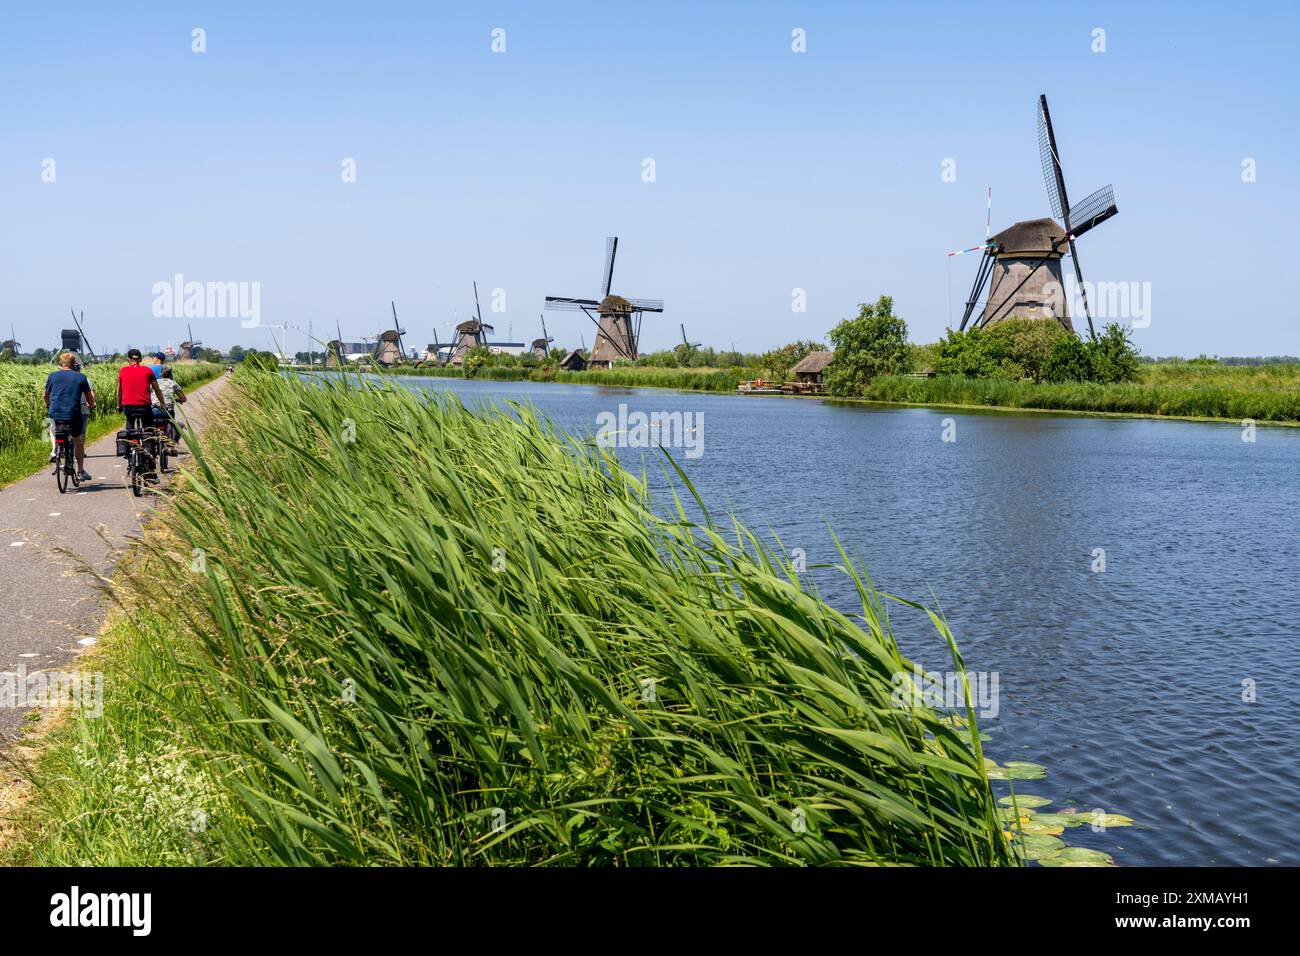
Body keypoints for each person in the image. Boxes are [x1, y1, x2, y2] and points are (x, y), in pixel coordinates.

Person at [44, 352, 95, 482]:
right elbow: (89, 396)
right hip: (73, 413)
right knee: (78, 441)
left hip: (55, 412)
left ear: (60, 363)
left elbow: (46, 395)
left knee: (53, 428)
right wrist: (92, 405)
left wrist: (48, 404)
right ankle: (80, 471)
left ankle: (55, 450)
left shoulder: (52, 376)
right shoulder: (81, 377)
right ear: (73, 364)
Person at [119, 348, 167, 431]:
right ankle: (148, 439)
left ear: (128, 359)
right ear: (140, 359)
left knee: (130, 421)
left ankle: (130, 439)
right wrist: (163, 405)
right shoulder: (148, 370)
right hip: (144, 407)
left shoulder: (122, 371)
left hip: (128, 407)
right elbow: (157, 390)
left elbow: (118, 392)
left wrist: (119, 406)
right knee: (149, 428)